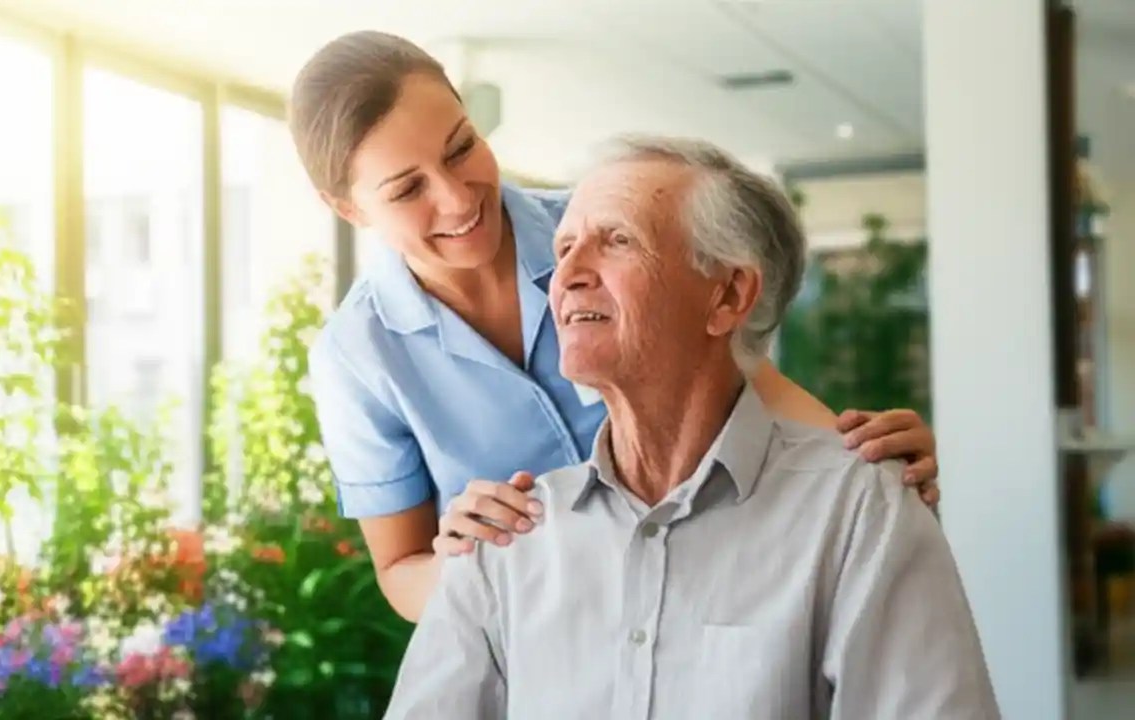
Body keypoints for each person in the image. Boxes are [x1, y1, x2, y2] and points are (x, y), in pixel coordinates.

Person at [292, 30, 940, 622]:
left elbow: (745, 381)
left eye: (462, 146)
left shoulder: (600, 228)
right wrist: (469, 560)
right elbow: (401, 572)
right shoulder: (358, 356)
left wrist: (870, 468)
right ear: (346, 207)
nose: (458, 198)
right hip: (540, 650)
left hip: (706, 604)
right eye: (408, 190)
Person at [383, 135, 998, 719]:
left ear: (728, 297)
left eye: (617, 240)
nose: (566, 275)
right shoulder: (506, 542)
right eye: (565, 247)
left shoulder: (860, 514)